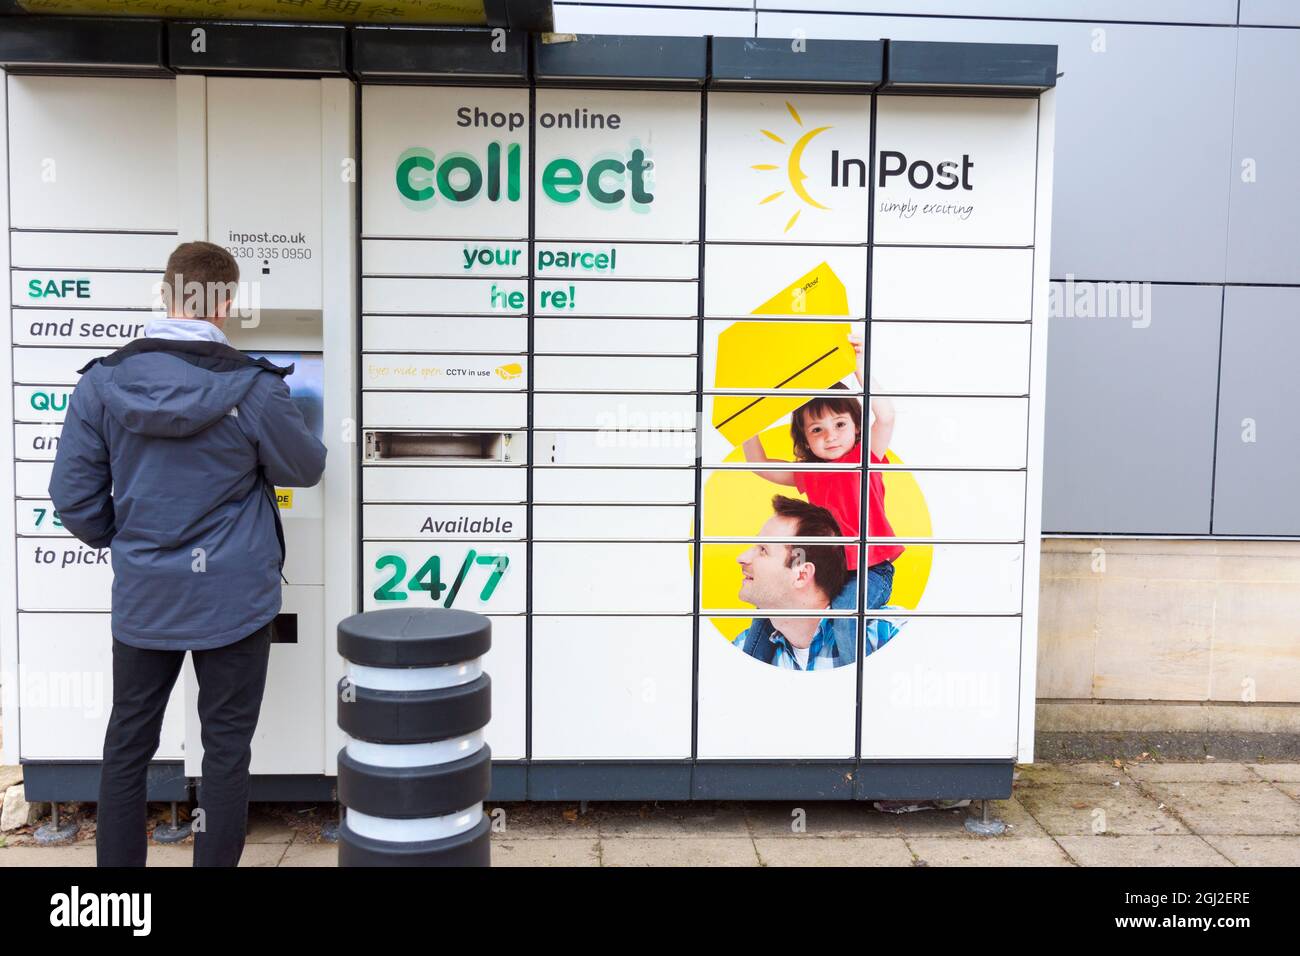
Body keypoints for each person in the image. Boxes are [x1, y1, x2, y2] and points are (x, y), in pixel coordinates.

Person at [49, 241, 327, 867]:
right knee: (225, 748)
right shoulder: (252, 386)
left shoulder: (102, 382)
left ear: (166, 295)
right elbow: (305, 467)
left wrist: (128, 541)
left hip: (146, 597)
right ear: (225, 303)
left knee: (128, 743)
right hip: (233, 596)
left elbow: (72, 495)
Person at [742, 333, 904, 609]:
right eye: (817, 430)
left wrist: (858, 365)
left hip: (870, 570)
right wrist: (746, 421)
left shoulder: (866, 456)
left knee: (844, 620)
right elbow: (760, 465)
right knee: (773, 606)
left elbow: (886, 416)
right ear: (805, 439)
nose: (830, 436)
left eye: (839, 425)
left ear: (856, 427)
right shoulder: (810, 472)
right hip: (828, 572)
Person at [731, 495, 857, 670]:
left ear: (801, 575)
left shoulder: (885, 636)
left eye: (763, 550)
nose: (742, 558)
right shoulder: (741, 650)